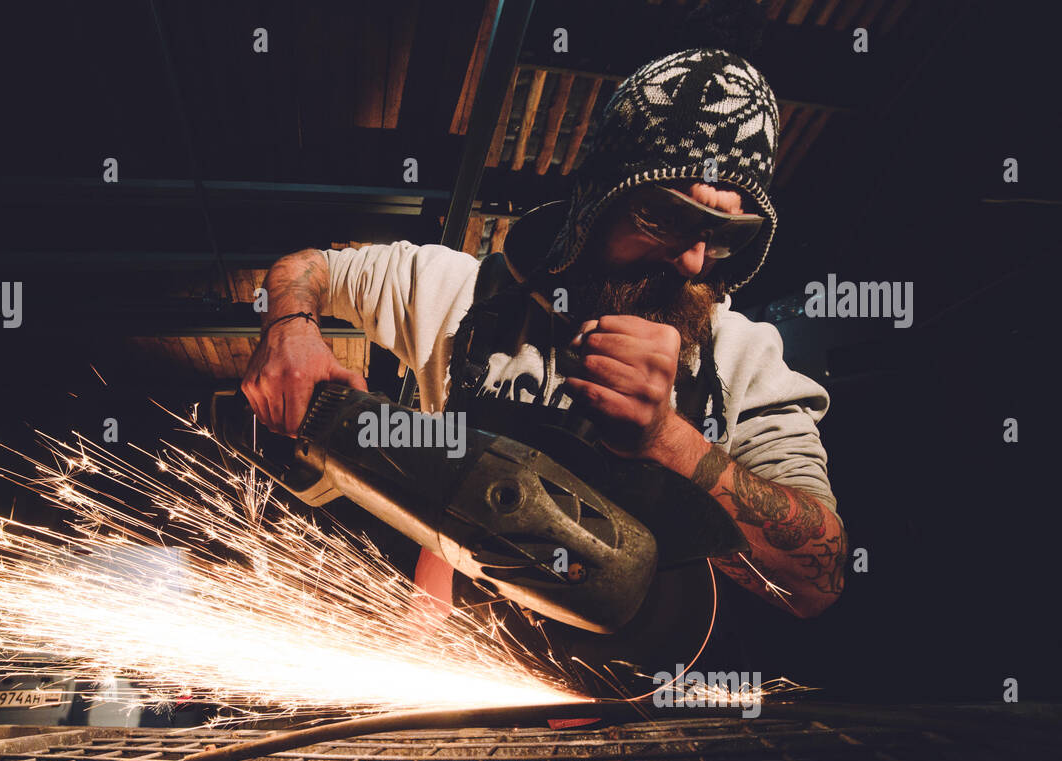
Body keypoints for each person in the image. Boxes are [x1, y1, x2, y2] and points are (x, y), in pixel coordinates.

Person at [242, 49, 845, 619]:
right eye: (661, 218)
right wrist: (290, 329)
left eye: (721, 236)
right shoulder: (460, 294)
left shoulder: (745, 358)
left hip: (642, 708)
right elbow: (303, 268)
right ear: (595, 204)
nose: (691, 261)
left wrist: (669, 440)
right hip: (471, 673)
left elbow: (819, 580)